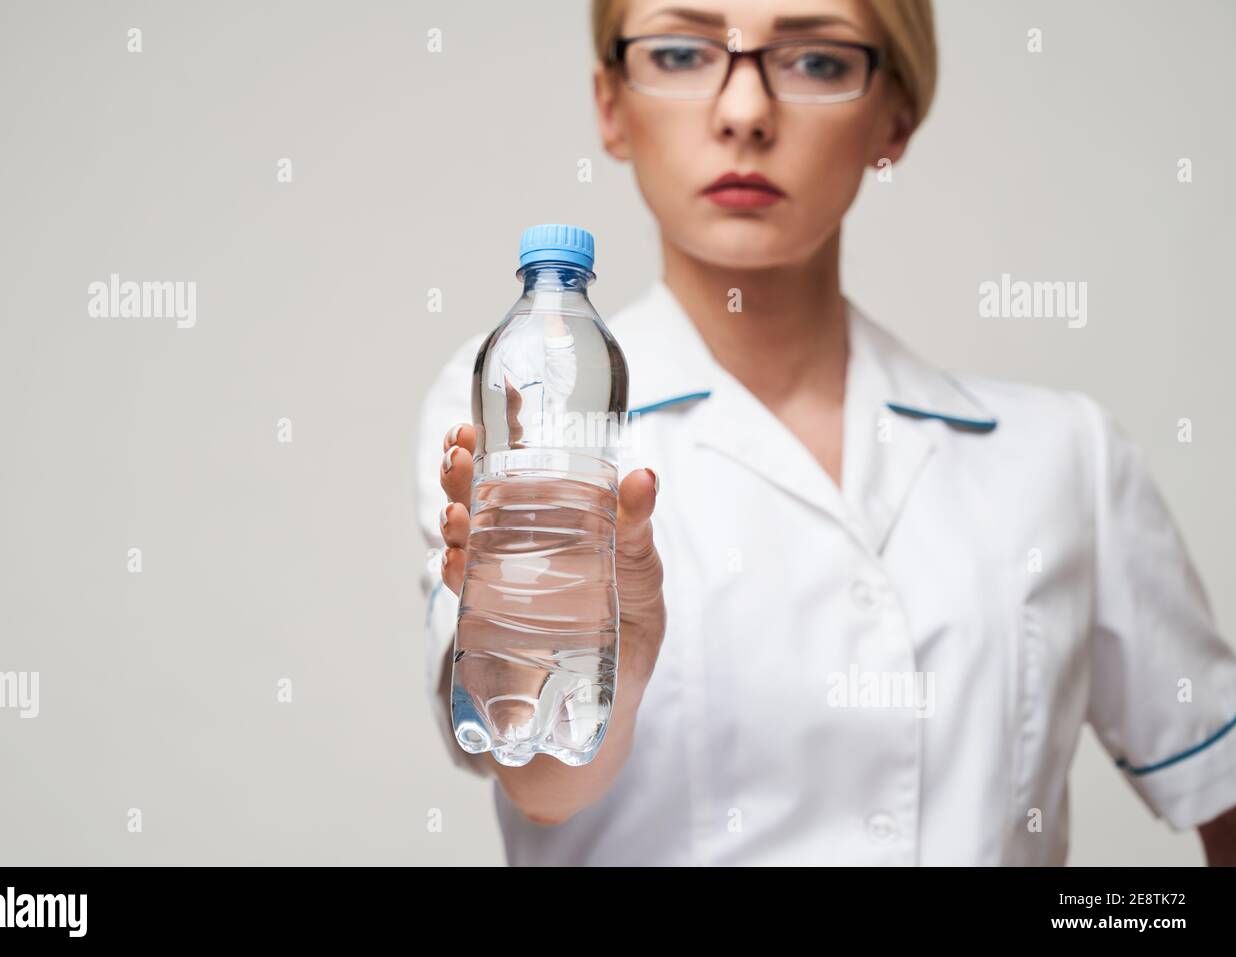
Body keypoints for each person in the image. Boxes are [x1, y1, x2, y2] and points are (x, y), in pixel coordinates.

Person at [414, 0, 1236, 865]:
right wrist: (618, 654)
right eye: (683, 51)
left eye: (815, 61)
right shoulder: (520, 406)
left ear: (896, 118)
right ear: (611, 105)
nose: (744, 112)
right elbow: (540, 780)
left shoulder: (1064, 456)